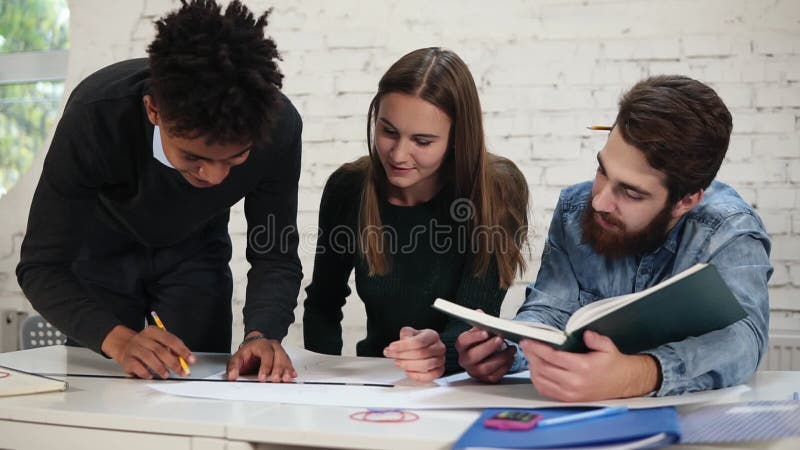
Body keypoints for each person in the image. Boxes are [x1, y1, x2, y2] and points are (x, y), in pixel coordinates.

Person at [16, 0, 302, 383]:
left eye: (236, 158)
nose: (216, 178)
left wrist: (262, 335)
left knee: (199, 386)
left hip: (197, 251)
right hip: (100, 250)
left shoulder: (278, 129)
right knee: (100, 391)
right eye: (194, 157)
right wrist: (117, 341)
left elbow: (275, 256)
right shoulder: (96, 115)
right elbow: (41, 266)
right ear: (153, 111)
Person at [456, 75, 772, 400]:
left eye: (631, 192)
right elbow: (551, 310)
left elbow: (744, 340)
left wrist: (637, 375)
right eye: (603, 170)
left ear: (686, 201)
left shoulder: (728, 230)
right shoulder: (574, 210)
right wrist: (506, 352)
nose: (599, 202)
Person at [303, 47, 529, 382]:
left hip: (459, 385)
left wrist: (440, 351)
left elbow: (474, 321)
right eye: (388, 131)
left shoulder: (497, 190)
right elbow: (323, 303)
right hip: (377, 380)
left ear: (456, 139)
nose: (398, 154)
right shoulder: (348, 187)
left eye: (422, 141)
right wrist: (323, 383)